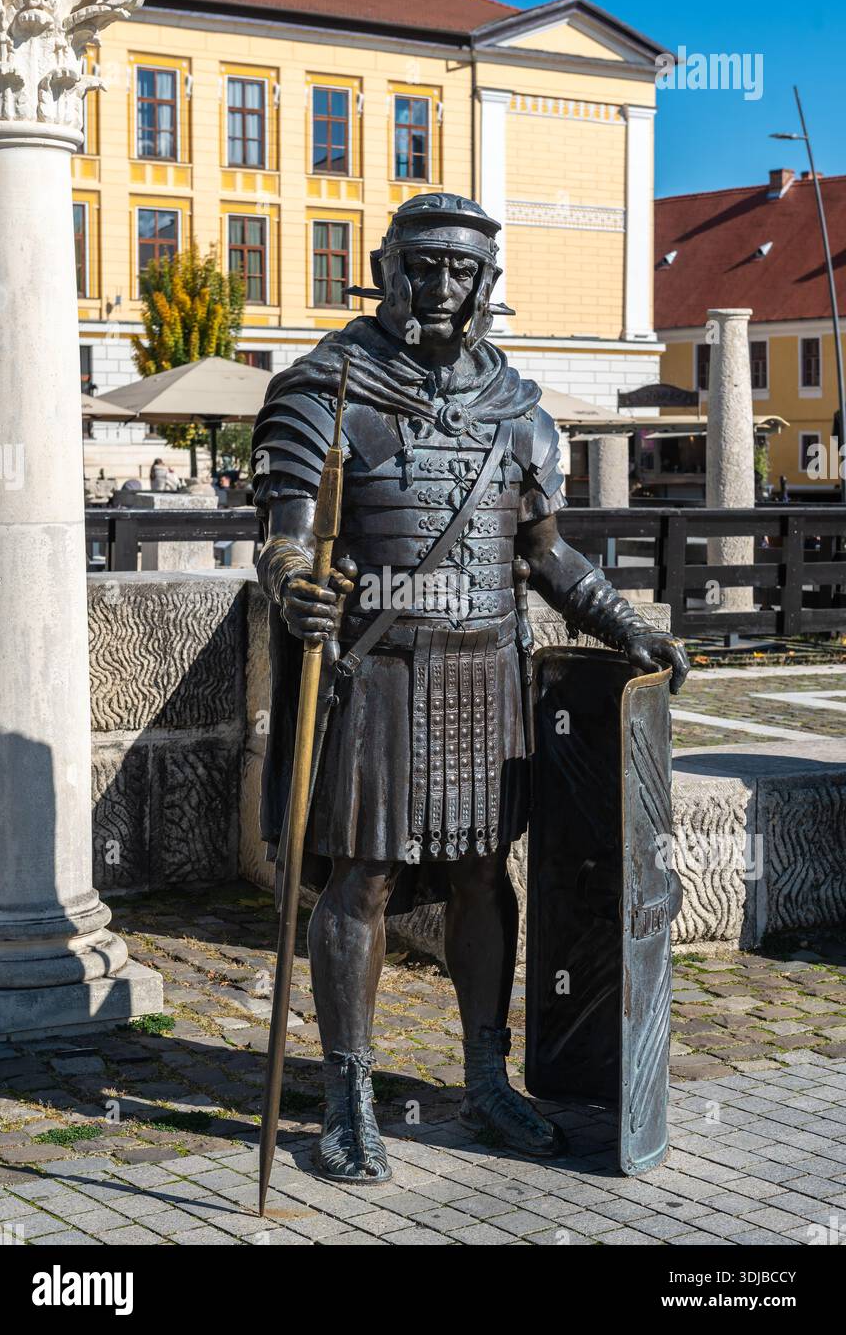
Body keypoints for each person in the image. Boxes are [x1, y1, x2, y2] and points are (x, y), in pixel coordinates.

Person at [251, 194, 689, 1183]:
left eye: (461, 269)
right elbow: (281, 538)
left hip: (486, 671)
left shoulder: (522, 417)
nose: (440, 286)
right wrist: (296, 585)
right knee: (359, 876)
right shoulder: (325, 392)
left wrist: (624, 625)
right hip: (375, 677)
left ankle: (487, 1079)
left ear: (488, 283)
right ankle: (350, 1093)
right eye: (421, 264)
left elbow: (545, 554)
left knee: (483, 874)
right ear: (384, 266)